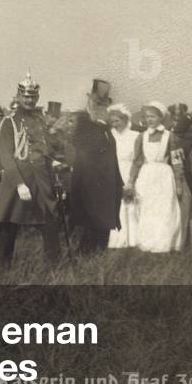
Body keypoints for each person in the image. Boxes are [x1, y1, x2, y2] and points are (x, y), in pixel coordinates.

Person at [0, 71, 65, 266]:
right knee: (10, 226)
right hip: (17, 182)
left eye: (32, 96)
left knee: (50, 224)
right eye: (25, 96)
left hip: (41, 181)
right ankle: (4, 269)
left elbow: (45, 150)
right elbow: (7, 157)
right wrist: (19, 184)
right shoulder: (8, 122)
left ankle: (54, 269)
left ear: (37, 98)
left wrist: (53, 162)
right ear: (18, 96)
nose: (29, 100)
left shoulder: (40, 122)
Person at [68, 80, 124, 255]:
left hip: (107, 182)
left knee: (103, 224)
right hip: (89, 182)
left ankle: (97, 258)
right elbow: (82, 144)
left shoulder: (105, 127)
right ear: (89, 101)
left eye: (104, 104)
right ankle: (82, 258)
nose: (101, 106)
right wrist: (98, 124)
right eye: (98, 102)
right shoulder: (82, 121)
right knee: (88, 224)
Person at [127, 102, 184, 253]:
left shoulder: (171, 137)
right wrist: (131, 181)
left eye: (152, 116)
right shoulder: (141, 137)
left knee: (164, 209)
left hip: (164, 176)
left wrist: (179, 183)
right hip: (146, 175)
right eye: (147, 117)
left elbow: (177, 162)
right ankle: (147, 244)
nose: (149, 119)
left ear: (161, 117)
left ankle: (163, 244)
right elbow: (137, 161)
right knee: (147, 208)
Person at [106, 104, 140, 248]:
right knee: (113, 206)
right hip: (111, 171)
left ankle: (132, 239)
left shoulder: (135, 136)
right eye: (112, 121)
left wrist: (131, 180)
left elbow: (137, 159)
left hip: (128, 171)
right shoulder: (109, 135)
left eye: (117, 121)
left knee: (129, 205)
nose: (115, 124)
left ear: (125, 119)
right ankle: (115, 239)